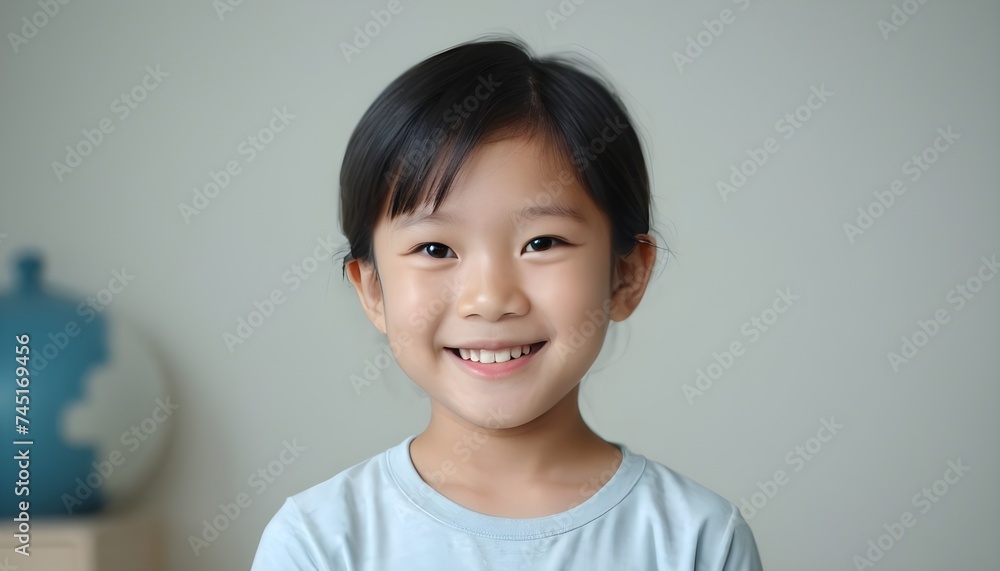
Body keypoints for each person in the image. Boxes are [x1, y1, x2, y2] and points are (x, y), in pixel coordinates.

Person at [251, 35, 764, 570]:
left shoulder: (698, 540)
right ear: (373, 290)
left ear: (625, 275)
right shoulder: (318, 542)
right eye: (435, 248)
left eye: (542, 243)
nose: (490, 299)